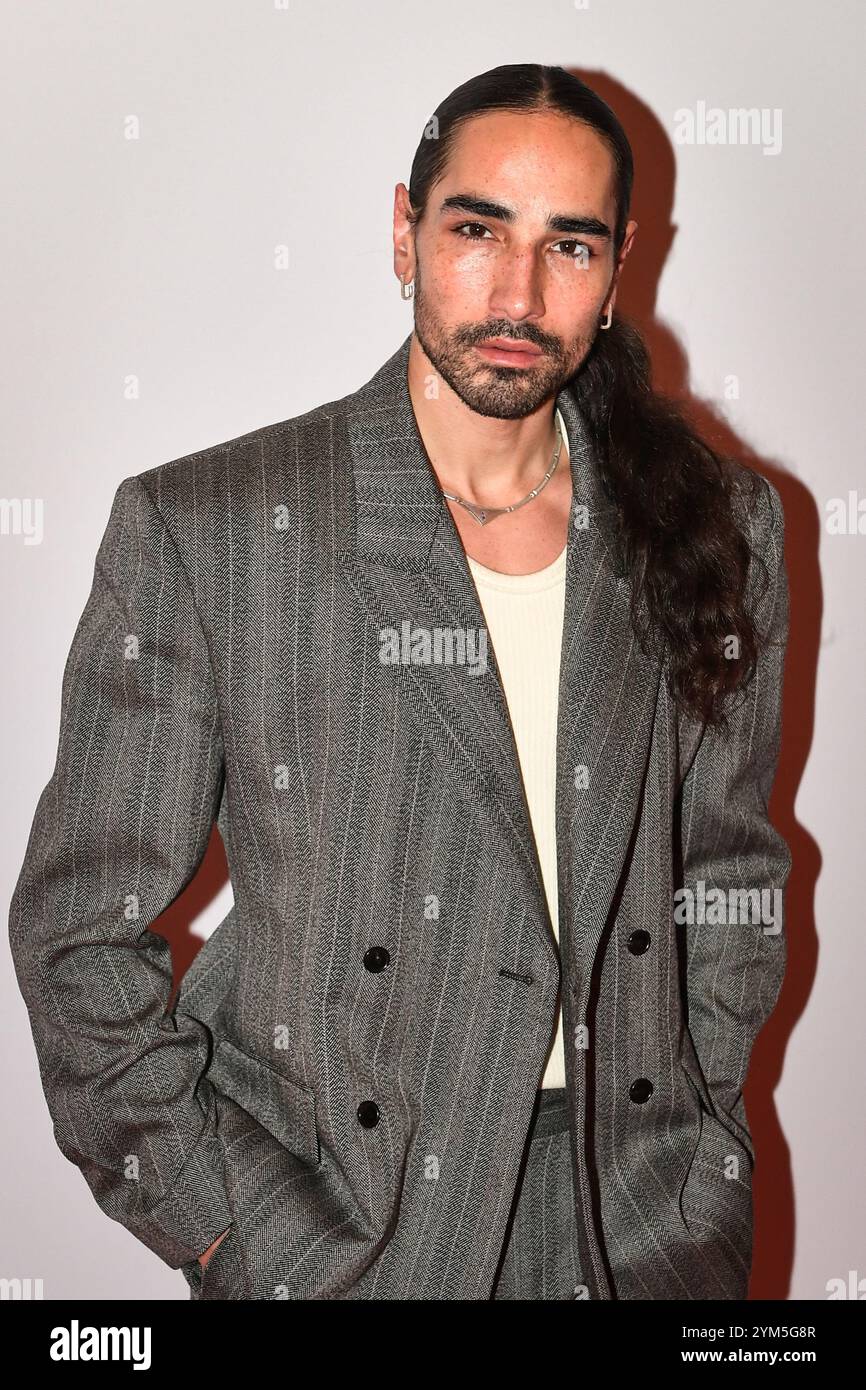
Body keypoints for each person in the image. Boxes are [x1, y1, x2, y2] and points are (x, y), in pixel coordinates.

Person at [8, 63, 791, 1300]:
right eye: (476, 229)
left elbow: (728, 869)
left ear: (619, 265)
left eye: (568, 247)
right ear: (401, 231)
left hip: (629, 1219)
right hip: (347, 1224)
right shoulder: (212, 527)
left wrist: (703, 1154)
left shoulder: (713, 521)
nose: (518, 293)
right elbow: (76, 933)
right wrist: (228, 1227)